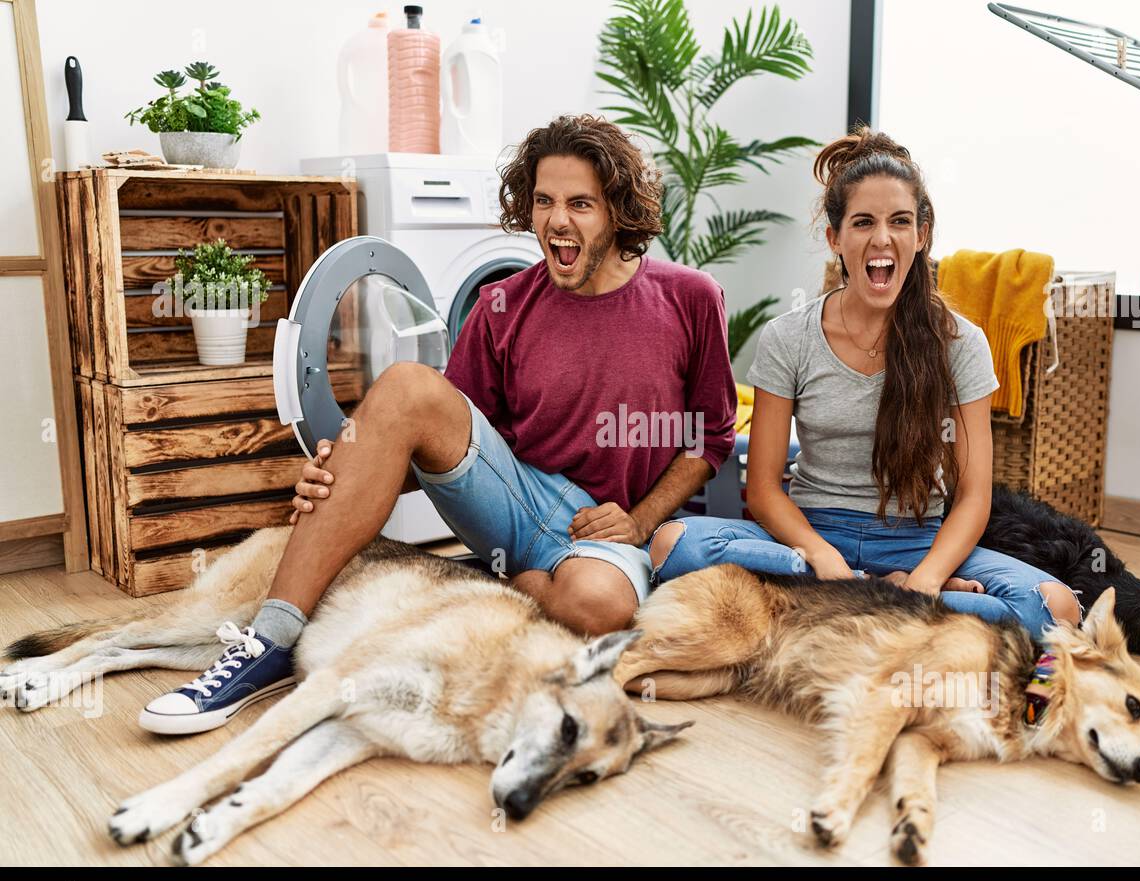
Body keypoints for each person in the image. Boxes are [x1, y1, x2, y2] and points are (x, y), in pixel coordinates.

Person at [140, 115, 737, 734]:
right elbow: (442, 445)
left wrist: (638, 521)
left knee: (599, 606)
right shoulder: (501, 305)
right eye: (543, 201)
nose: (557, 221)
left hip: (604, 532)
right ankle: (266, 646)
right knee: (408, 386)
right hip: (517, 499)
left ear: (618, 211)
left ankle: (501, 583)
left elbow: (711, 436)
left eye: (580, 203)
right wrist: (340, 476)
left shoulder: (689, 297)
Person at [647, 126, 1082, 638]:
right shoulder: (788, 337)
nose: (882, 238)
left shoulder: (961, 343)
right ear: (835, 239)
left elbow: (973, 497)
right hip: (806, 538)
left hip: (917, 543)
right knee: (671, 543)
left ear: (921, 236)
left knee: (1056, 609)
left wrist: (926, 578)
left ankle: (853, 601)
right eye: (863, 222)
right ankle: (887, 601)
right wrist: (818, 554)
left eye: (900, 221)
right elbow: (763, 490)